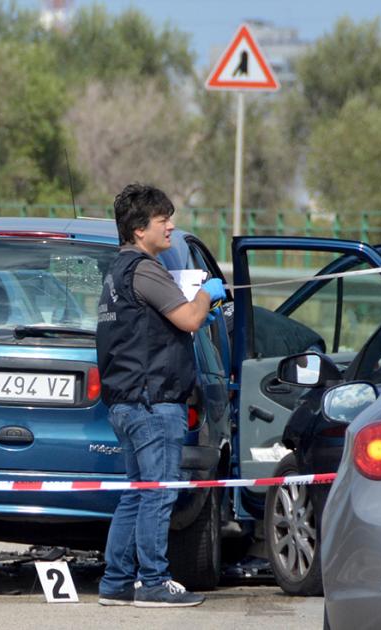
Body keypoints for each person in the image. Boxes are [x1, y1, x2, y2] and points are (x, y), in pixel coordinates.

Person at [94, 183, 226, 608]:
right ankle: (153, 581)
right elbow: (188, 318)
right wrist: (207, 294)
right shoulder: (147, 269)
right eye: (161, 220)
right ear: (138, 230)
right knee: (158, 491)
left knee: (137, 491)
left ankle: (116, 583)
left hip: (126, 402)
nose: (170, 225)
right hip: (154, 404)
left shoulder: (115, 272)